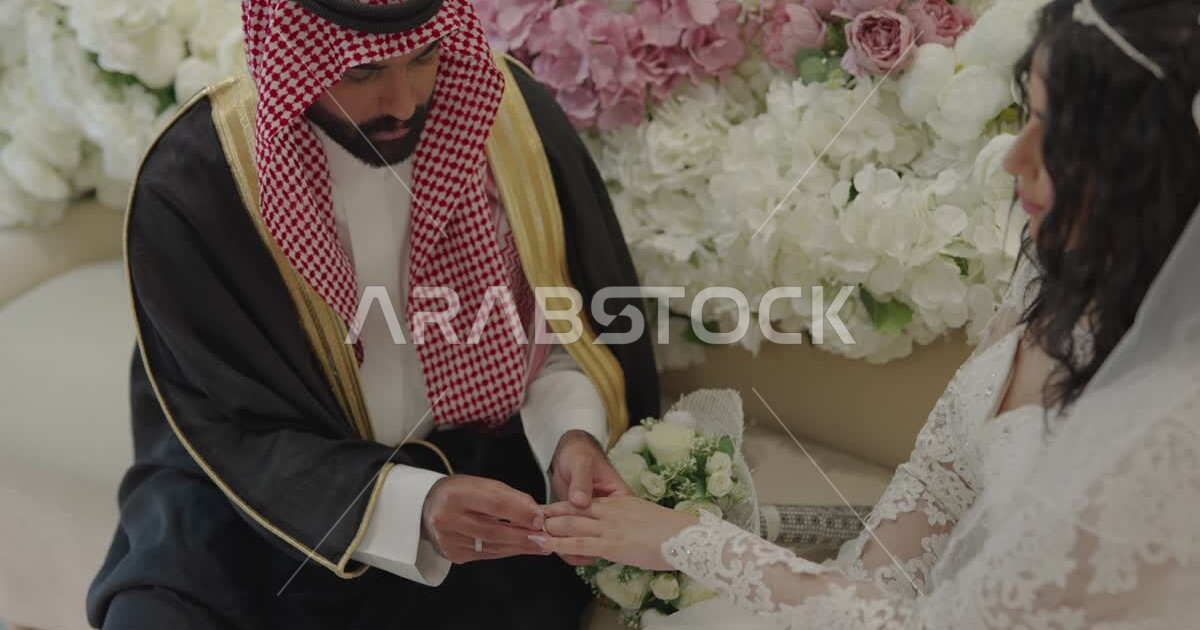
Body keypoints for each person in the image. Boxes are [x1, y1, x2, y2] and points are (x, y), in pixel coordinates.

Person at [535, 0, 1200, 626]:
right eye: (1027, 112)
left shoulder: (1165, 433)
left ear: (1151, 172)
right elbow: (941, 485)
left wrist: (694, 543)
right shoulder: (1063, 264)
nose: (1013, 158)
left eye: (1058, 138)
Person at [85, 0, 659, 628]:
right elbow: (226, 423)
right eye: (361, 72)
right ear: (293, 53)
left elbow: (558, 334)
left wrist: (572, 436)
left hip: (482, 471)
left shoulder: (508, 121)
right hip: (262, 489)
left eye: (424, 57)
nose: (405, 101)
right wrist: (403, 504)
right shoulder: (199, 180)